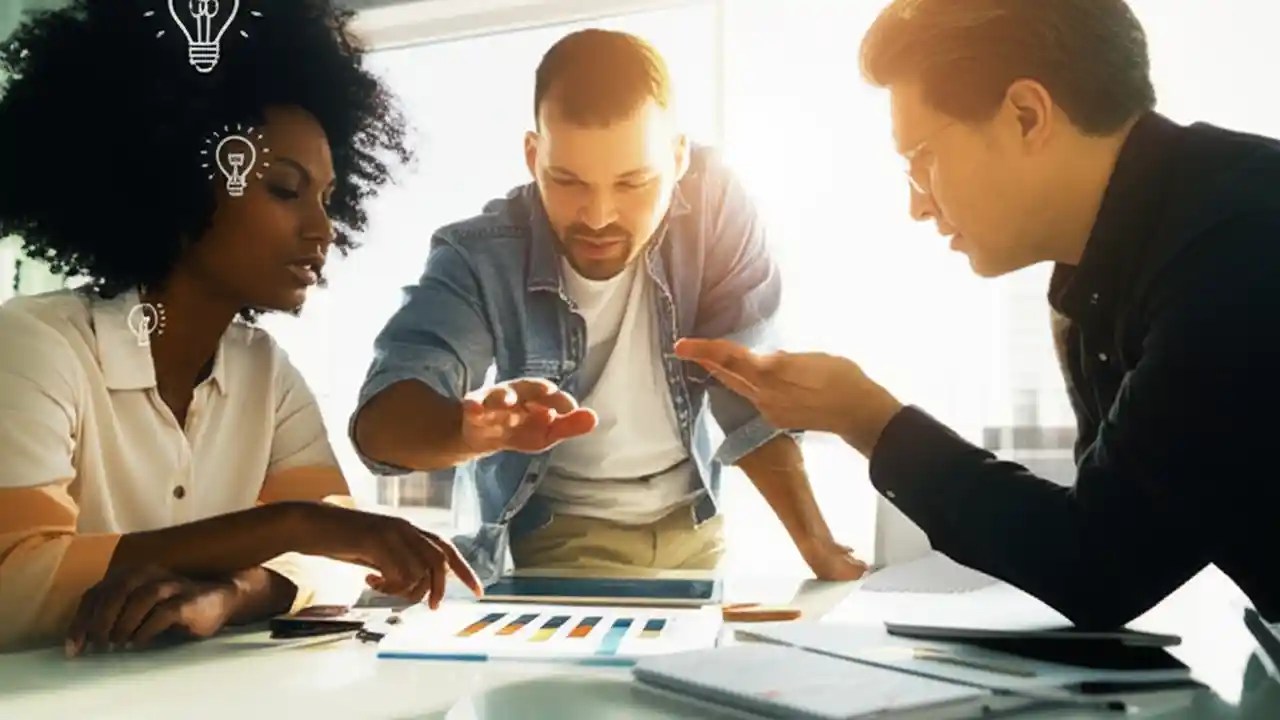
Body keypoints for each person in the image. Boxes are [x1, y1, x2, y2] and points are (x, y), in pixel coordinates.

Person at [676, 0, 1280, 628]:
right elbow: (1118, 531)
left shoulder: (1240, 249)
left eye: (922, 158)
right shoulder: (1113, 266)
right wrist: (863, 419)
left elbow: (1101, 563)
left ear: (1026, 115)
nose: (917, 205)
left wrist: (869, 421)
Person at [0, 0, 480, 654]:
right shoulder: (36, 345)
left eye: (327, 198)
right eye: (284, 189)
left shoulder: (266, 373)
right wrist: (289, 525)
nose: (323, 229)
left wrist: (228, 594)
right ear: (175, 182)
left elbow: (341, 559)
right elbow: (13, 580)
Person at [352, 30, 866, 583]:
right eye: (567, 180)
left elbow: (748, 387)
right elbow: (382, 426)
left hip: (696, 526)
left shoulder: (715, 208)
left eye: (633, 182)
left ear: (678, 158)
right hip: (555, 539)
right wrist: (469, 432)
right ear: (533, 156)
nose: (598, 217)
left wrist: (817, 544)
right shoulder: (479, 254)